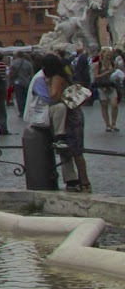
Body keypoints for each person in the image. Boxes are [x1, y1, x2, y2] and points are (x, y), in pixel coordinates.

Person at [46, 55, 90, 192]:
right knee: (72, 150)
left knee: (75, 151)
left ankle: (84, 181)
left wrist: (48, 90)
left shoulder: (56, 77)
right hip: (74, 114)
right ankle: (76, 181)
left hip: (69, 117)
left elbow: (54, 95)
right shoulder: (65, 74)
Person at [95, 48, 122, 132]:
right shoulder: (98, 64)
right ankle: (107, 125)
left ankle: (113, 124)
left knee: (114, 105)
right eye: (108, 53)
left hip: (111, 86)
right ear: (103, 54)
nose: (109, 55)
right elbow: (95, 76)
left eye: (110, 53)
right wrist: (105, 73)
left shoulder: (114, 63)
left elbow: (116, 73)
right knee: (104, 106)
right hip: (102, 87)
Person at [10, 52, 34, 118]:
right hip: (26, 82)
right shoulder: (28, 63)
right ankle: (27, 111)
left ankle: (21, 112)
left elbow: (11, 73)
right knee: (26, 97)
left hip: (17, 82)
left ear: (17, 55)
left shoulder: (14, 63)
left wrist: (11, 82)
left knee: (19, 98)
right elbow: (31, 74)